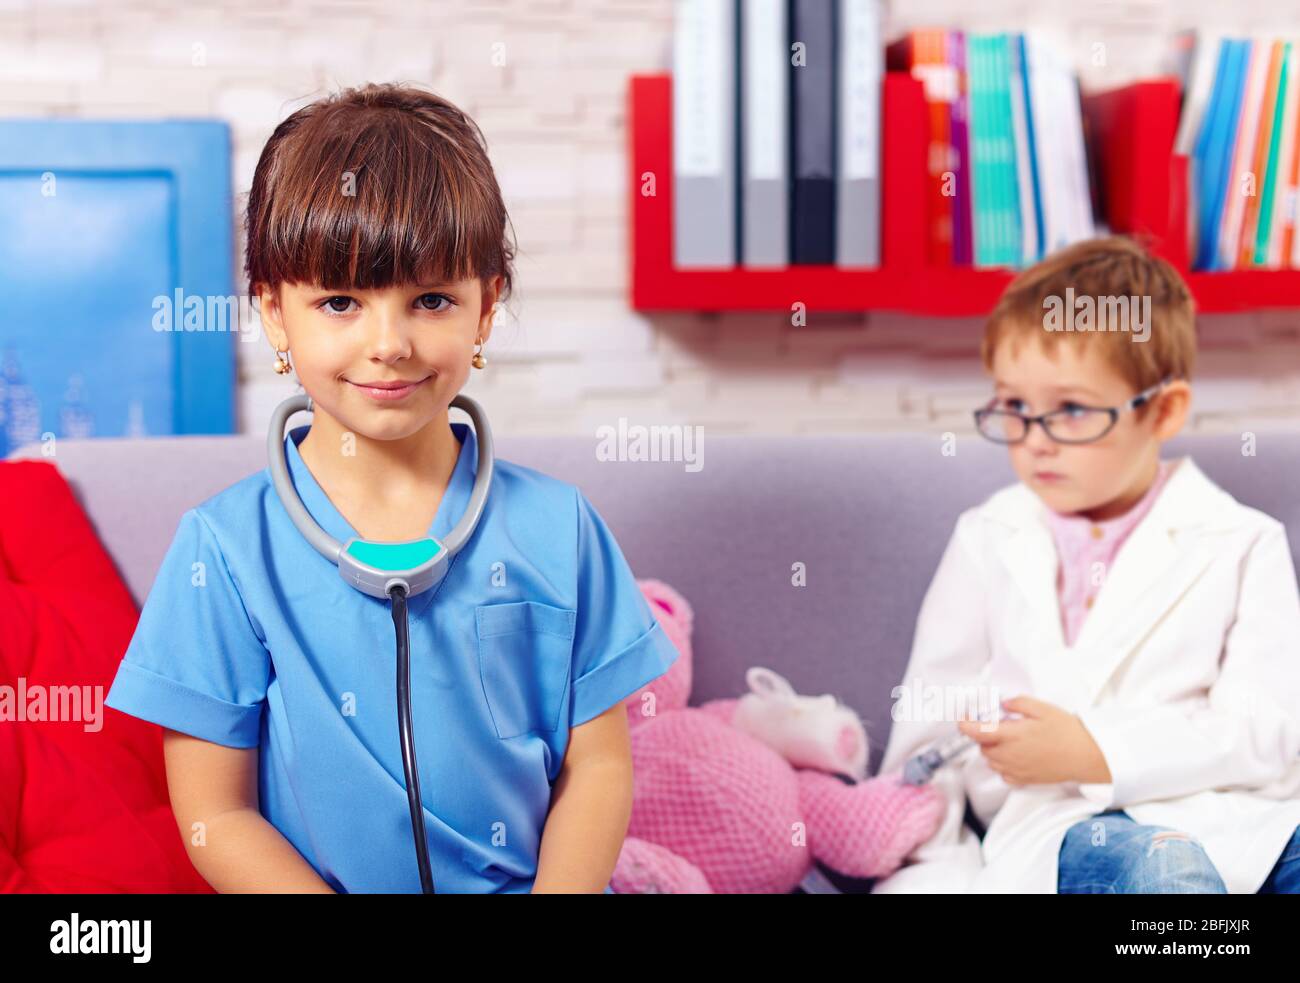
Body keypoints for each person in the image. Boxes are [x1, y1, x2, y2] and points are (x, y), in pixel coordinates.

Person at [104, 82, 679, 894]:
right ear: (272, 314)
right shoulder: (223, 551)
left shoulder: (560, 528)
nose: (390, 344)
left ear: (486, 310)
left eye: (432, 300)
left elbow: (598, 766)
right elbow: (215, 815)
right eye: (339, 301)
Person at [872, 236, 1300, 893]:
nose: (1036, 440)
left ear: (1163, 410)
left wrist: (1096, 748)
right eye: (1015, 407)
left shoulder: (1244, 541)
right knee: (1162, 868)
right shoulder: (988, 537)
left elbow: (1267, 736)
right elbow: (929, 747)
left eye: (1070, 409)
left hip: (1247, 822)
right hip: (1078, 832)